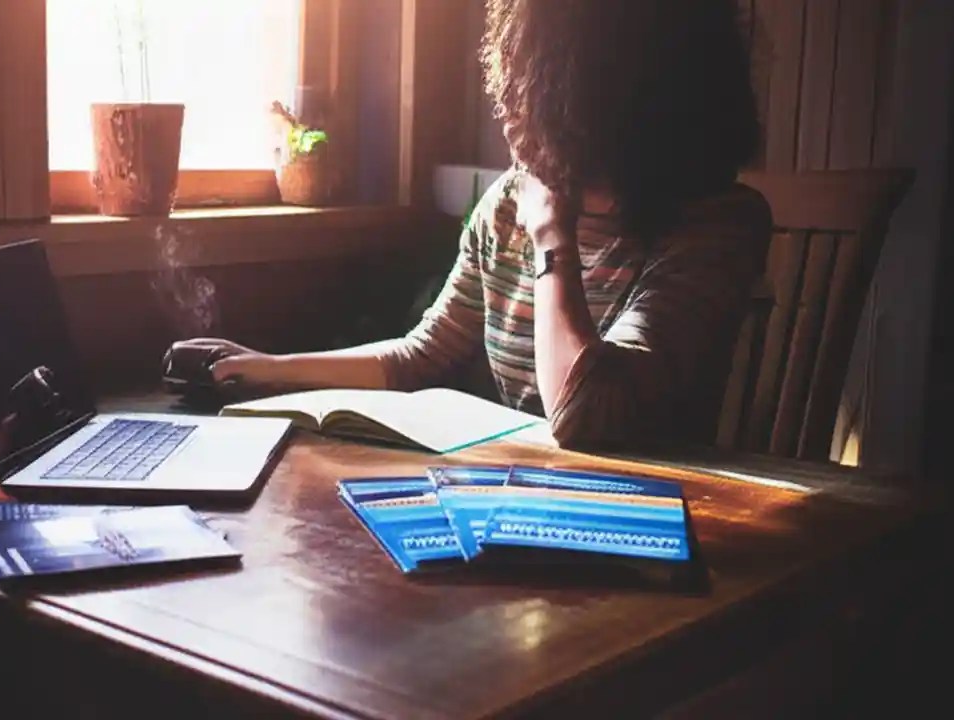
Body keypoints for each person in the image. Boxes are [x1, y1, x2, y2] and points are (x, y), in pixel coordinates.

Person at [165, 0, 770, 451]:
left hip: (661, 518)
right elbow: (421, 355)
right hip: (529, 499)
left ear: (605, 94)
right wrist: (265, 367)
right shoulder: (509, 206)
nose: (505, 109)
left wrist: (553, 240)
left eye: (529, 84)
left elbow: (590, 414)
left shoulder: (713, 227)